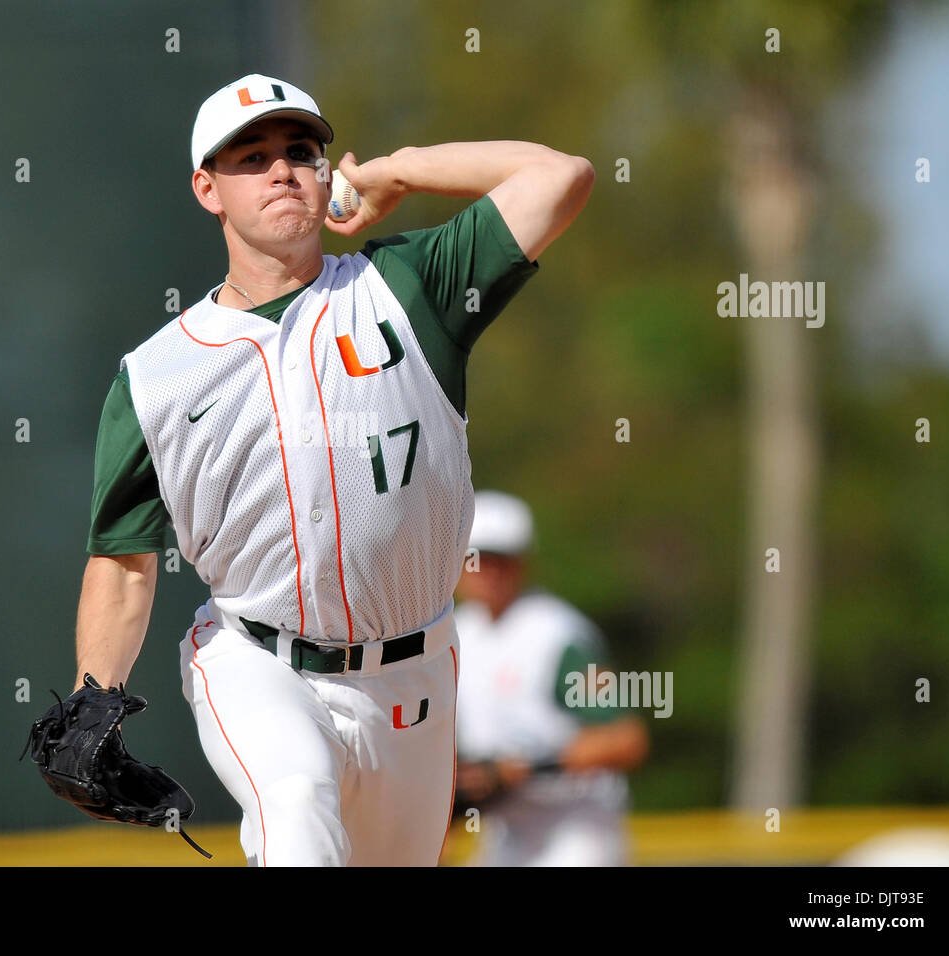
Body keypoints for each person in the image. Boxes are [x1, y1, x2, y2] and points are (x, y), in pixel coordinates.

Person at [74, 72, 594, 866]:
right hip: (257, 660)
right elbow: (124, 560)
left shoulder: (412, 290)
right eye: (251, 157)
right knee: (296, 803)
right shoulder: (155, 376)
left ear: (326, 173)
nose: (281, 169)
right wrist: (91, 696)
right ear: (207, 189)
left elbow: (560, 178)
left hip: (415, 680)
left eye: (300, 151)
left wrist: (402, 168)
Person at [452, 490, 650, 866]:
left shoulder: (558, 636)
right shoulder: (456, 633)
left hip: (576, 829)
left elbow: (626, 739)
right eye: (478, 559)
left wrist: (529, 766)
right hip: (504, 830)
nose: (488, 572)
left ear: (523, 564)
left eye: (501, 560)